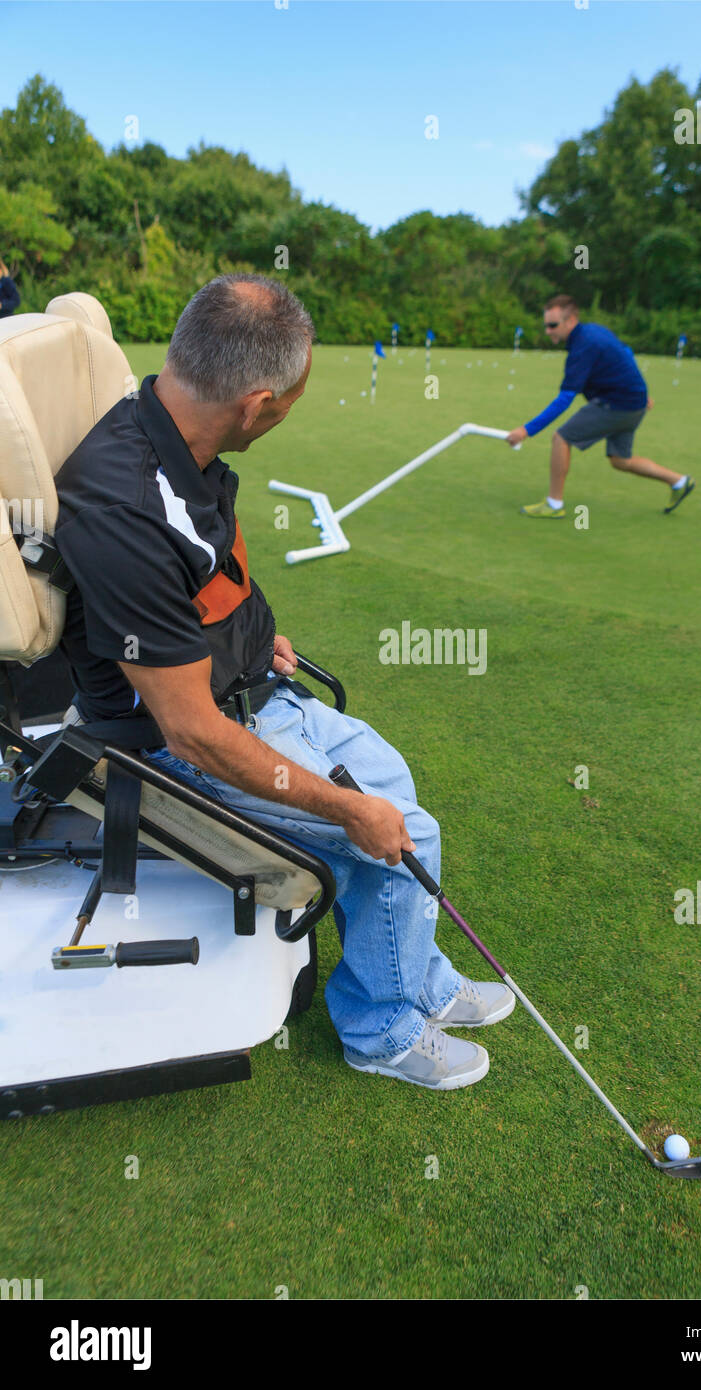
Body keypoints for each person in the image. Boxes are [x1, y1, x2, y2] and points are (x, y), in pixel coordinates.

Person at [53, 274, 514, 1090]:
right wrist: (342, 808)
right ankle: (381, 1033)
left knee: (395, 791)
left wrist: (253, 637)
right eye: (289, 406)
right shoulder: (125, 507)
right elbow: (187, 729)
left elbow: (202, 576)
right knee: (399, 827)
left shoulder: (172, 435)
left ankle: (417, 983)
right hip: (177, 745)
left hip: (250, 690)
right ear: (257, 404)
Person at [507, 295, 695, 516]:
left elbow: (564, 399)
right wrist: (640, 392)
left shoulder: (582, 347)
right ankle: (679, 481)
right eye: (546, 325)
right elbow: (626, 352)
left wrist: (526, 430)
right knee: (620, 461)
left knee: (562, 438)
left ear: (571, 320)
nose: (548, 331)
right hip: (633, 403)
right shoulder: (594, 331)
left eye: (553, 325)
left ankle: (553, 504)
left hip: (618, 405)